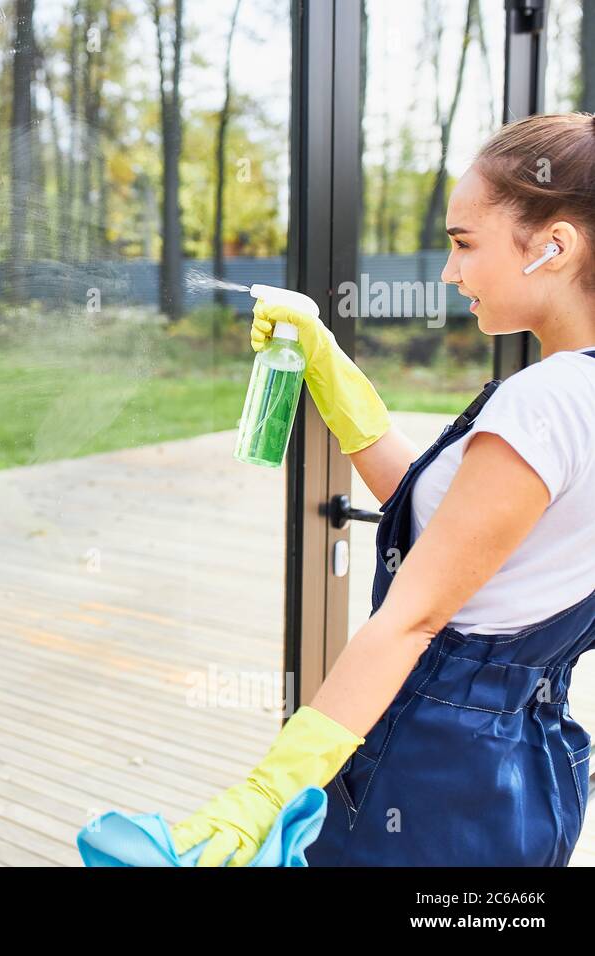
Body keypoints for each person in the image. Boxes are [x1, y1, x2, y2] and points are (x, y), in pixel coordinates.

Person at [169, 112, 595, 866]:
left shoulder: (547, 401)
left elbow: (414, 617)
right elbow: (463, 539)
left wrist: (270, 791)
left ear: (554, 246)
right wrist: (330, 368)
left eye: (465, 243)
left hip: (430, 769)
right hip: (524, 771)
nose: (449, 271)